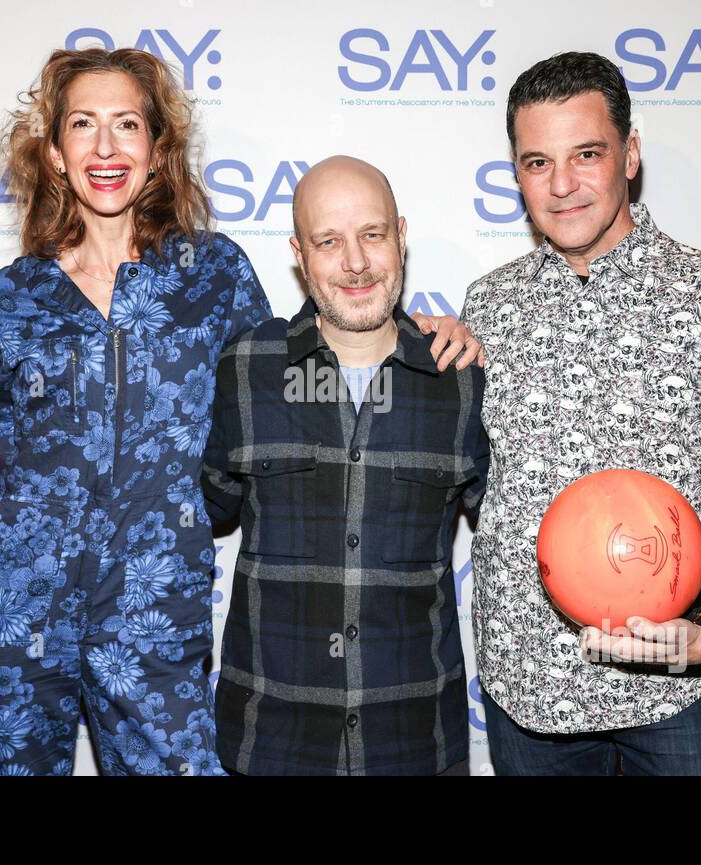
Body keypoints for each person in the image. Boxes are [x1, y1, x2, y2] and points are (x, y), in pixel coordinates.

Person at [0, 49, 480, 776]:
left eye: (127, 124)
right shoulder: (5, 297)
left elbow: (300, 365)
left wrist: (421, 328)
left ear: (156, 150)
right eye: (83, 125)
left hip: (151, 623)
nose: (107, 146)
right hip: (10, 618)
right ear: (55, 152)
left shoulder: (213, 275)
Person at [461, 51, 701, 775]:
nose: (561, 185)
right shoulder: (486, 307)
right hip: (528, 694)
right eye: (537, 162)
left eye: (586, 154)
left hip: (679, 693)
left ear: (630, 155)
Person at [201, 156, 489, 775]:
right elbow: (198, 509)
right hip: (272, 741)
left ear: (401, 236)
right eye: (329, 241)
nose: (355, 262)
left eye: (373, 235)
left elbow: (523, 532)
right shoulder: (247, 369)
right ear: (300, 255)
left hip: (414, 742)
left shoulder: (462, 381)